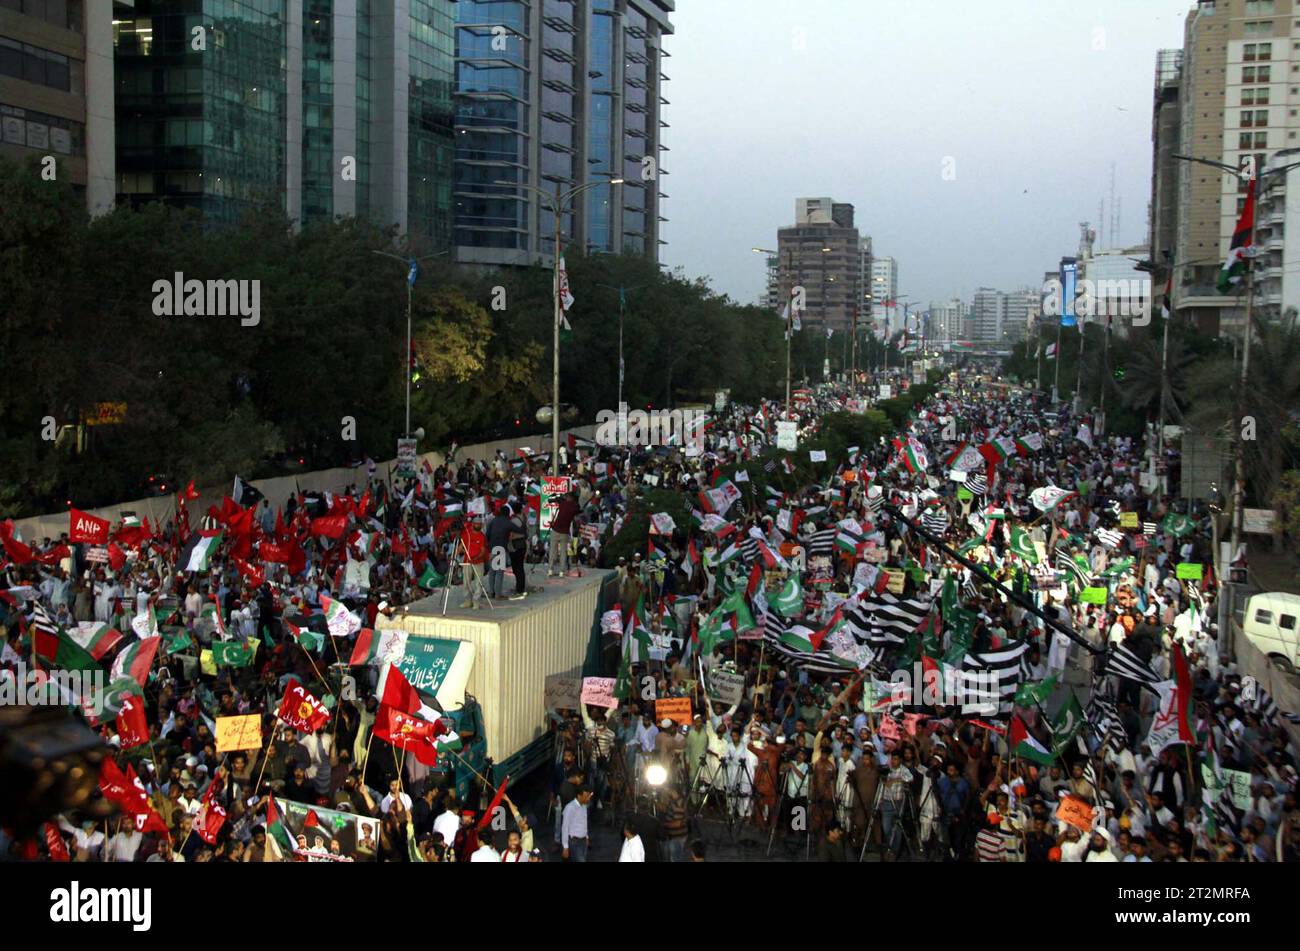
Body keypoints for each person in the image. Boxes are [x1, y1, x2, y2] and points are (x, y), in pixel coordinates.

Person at [548, 490, 581, 576]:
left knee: (552, 550)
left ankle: (550, 569)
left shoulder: (563, 503)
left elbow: (552, 499)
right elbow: (579, 508)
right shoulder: (574, 507)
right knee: (563, 552)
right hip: (565, 532)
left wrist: (558, 497)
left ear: (569, 497)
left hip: (556, 530)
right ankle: (562, 571)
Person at [561, 786, 593, 862]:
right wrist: (565, 847)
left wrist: (586, 836)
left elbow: (584, 822)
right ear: (579, 796)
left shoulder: (584, 806)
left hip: (583, 841)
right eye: (586, 796)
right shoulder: (570, 808)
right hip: (574, 842)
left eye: (589, 796)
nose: (588, 798)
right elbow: (565, 828)